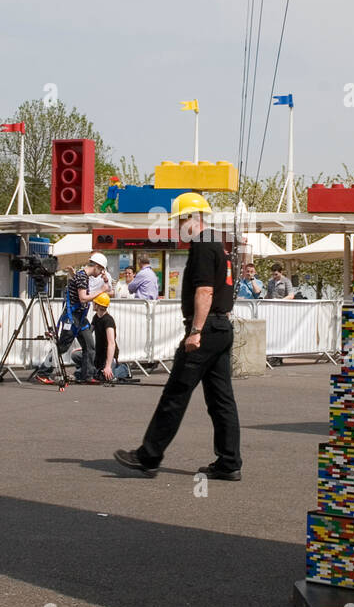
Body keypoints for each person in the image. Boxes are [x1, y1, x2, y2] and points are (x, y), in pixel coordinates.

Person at [115, 193, 241, 480]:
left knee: (176, 393)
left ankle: (148, 456)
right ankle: (229, 461)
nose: (176, 228)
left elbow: (204, 290)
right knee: (221, 399)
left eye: (178, 221)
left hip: (206, 329)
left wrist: (195, 331)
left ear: (191, 219)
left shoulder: (201, 245)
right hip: (221, 328)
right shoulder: (218, 245)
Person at [66, 252, 109, 383]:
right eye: (101, 269)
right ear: (96, 266)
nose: (101, 272)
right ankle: (44, 370)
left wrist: (105, 281)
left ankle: (88, 375)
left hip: (80, 317)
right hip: (72, 316)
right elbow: (83, 298)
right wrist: (102, 289)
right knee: (63, 344)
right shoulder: (82, 276)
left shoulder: (83, 277)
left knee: (89, 345)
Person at [71, 292, 132, 383]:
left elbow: (111, 343)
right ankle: (89, 370)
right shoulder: (96, 317)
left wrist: (108, 366)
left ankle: (124, 369)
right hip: (98, 354)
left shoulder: (108, 321)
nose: (92, 304)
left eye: (94, 302)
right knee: (75, 355)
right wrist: (84, 347)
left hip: (108, 356)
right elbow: (89, 333)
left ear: (98, 305)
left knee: (106, 377)